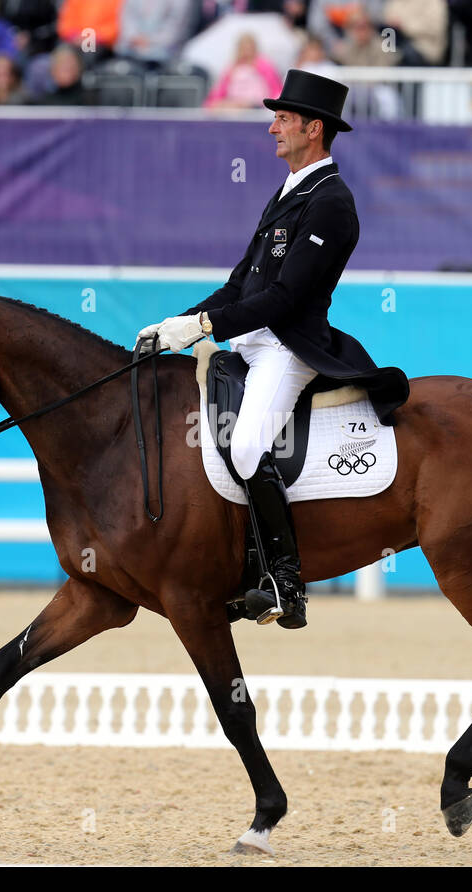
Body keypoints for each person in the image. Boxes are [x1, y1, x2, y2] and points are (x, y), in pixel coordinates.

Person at [136, 70, 409, 629]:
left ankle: (285, 582)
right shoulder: (288, 193)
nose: (271, 129)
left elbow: (284, 299)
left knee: (244, 447)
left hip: (289, 345)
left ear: (313, 128)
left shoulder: (332, 203)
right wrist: (180, 324)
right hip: (252, 340)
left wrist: (207, 325)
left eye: (282, 119)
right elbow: (242, 285)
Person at [204, 32, 282, 108]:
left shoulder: (264, 65)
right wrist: (214, 102)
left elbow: (275, 88)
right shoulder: (232, 67)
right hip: (234, 104)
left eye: (249, 47)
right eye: (244, 47)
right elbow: (220, 90)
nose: (246, 51)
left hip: (257, 105)